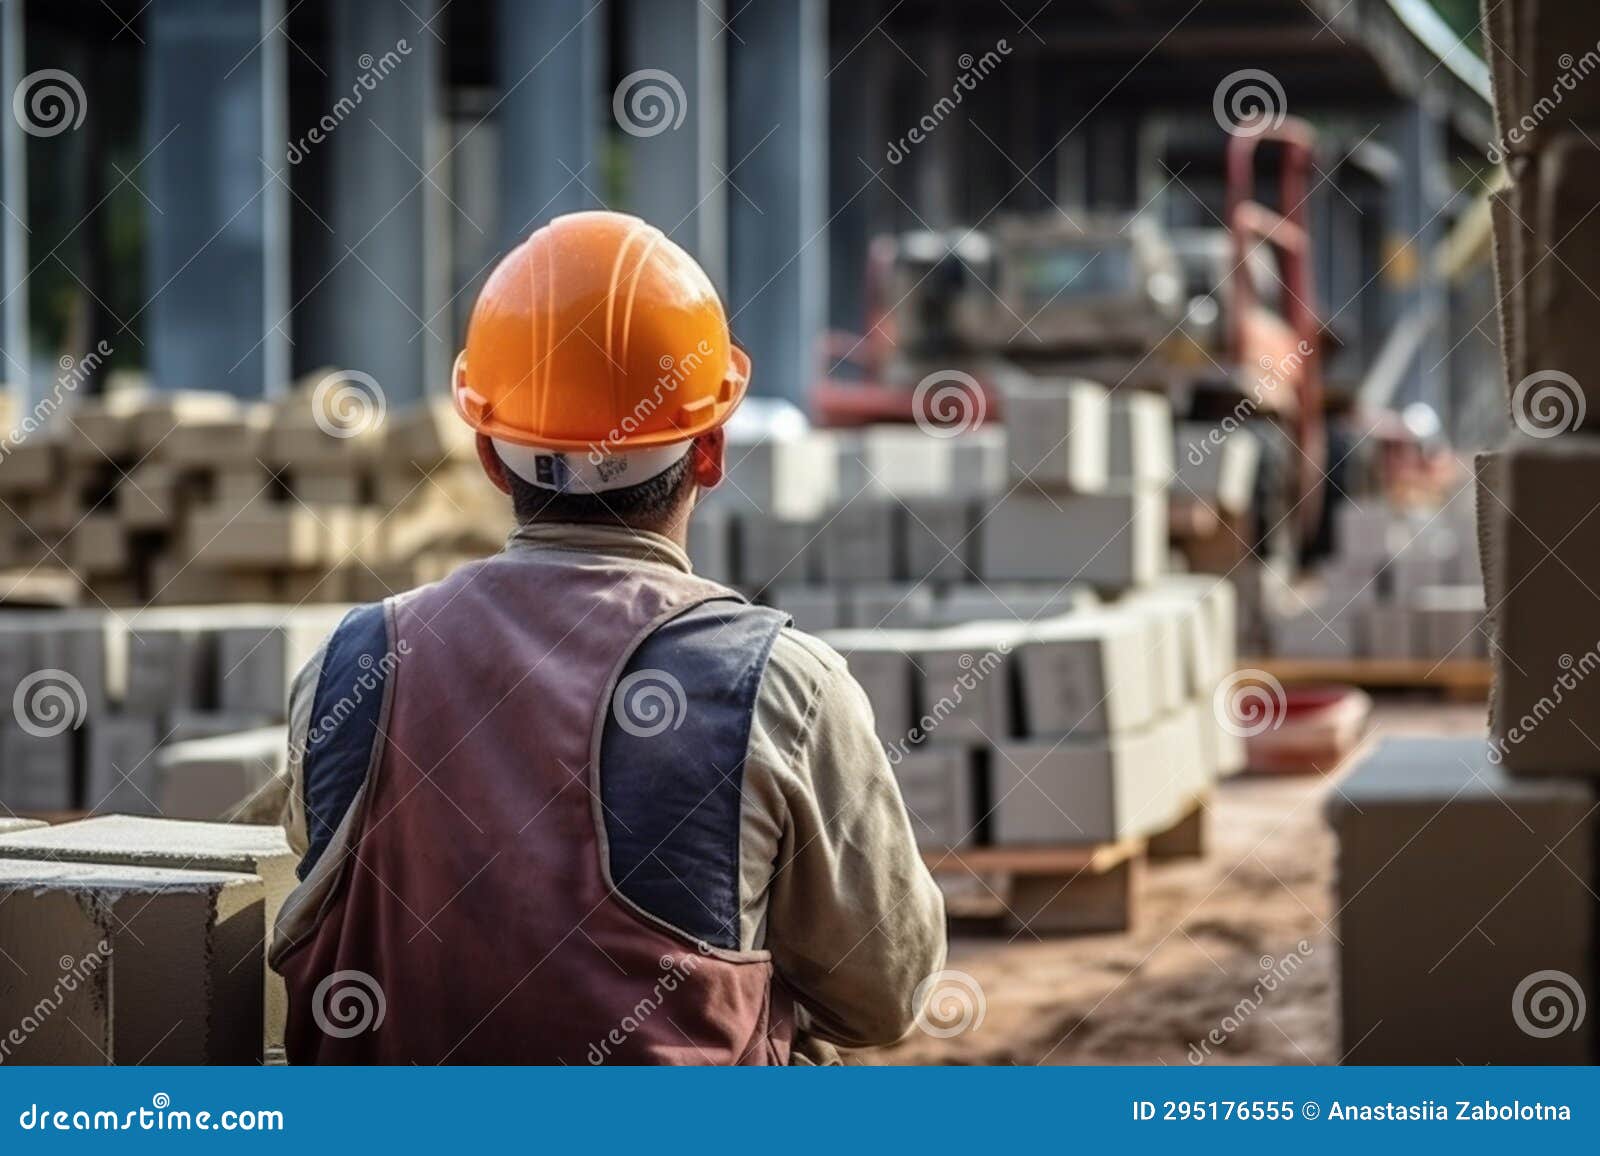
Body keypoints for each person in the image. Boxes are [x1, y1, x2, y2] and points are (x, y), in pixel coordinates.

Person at [269, 210, 947, 1064]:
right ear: (710, 451)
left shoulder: (350, 664)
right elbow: (886, 995)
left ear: (487, 454)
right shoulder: (779, 687)